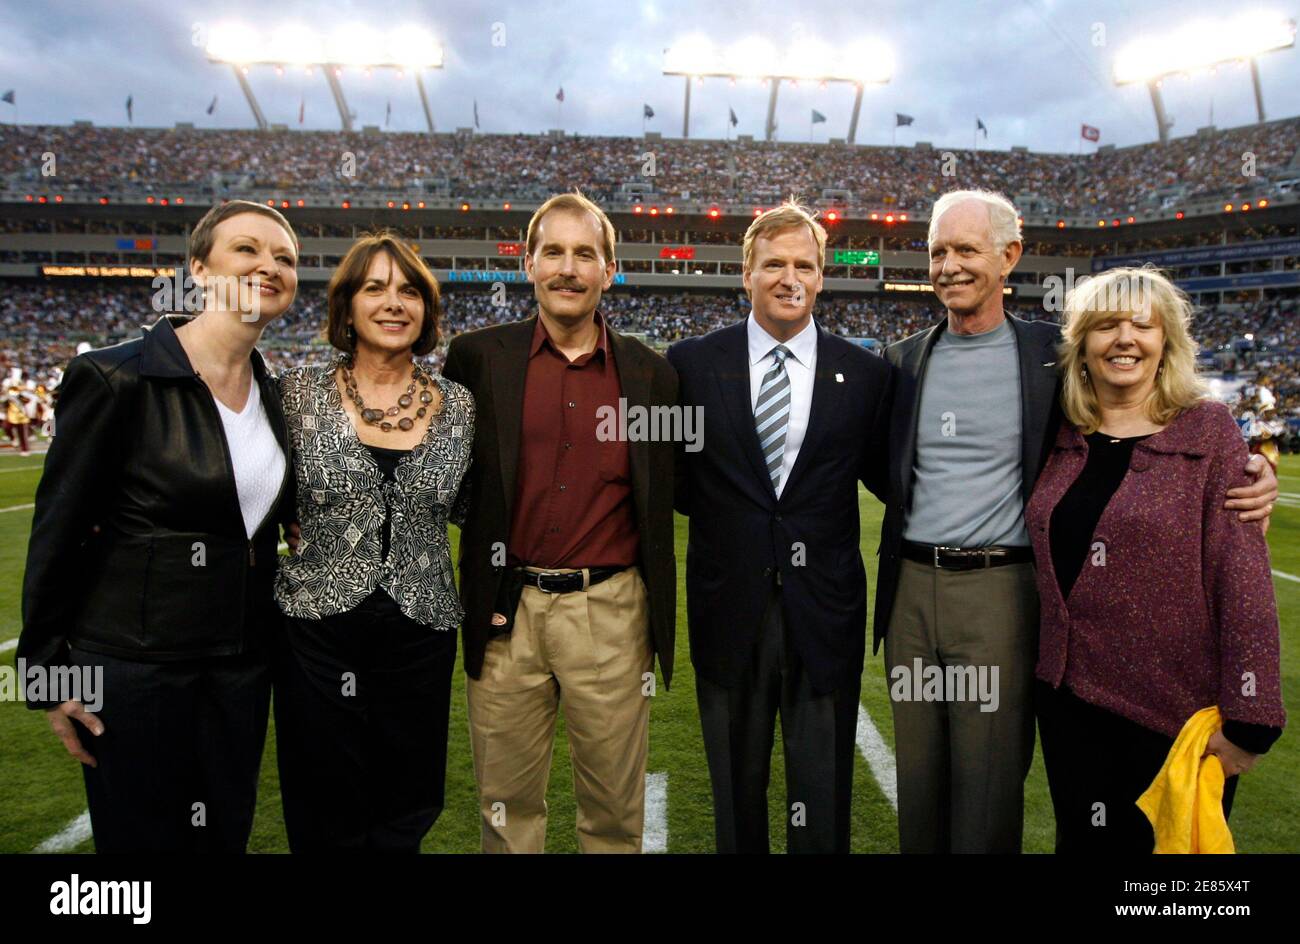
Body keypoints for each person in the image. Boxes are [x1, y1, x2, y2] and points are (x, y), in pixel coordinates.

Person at [875, 189, 1278, 854]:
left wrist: (1249, 469)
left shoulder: (1049, 359)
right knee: (924, 781)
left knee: (987, 785)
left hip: (1004, 593)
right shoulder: (901, 360)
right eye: (938, 252)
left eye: (966, 250)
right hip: (913, 591)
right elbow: (873, 464)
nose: (948, 265)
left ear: (1009, 257)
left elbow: (1153, 413)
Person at [19, 199, 299, 852]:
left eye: (285, 257)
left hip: (239, 668)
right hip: (135, 671)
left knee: (220, 837)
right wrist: (46, 679)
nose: (269, 265)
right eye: (247, 250)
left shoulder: (277, 395)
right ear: (199, 269)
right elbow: (57, 532)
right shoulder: (115, 377)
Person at [441, 191, 677, 853]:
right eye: (554, 251)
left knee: (612, 816)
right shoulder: (478, 358)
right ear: (528, 262)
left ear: (610, 269)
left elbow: (673, 491)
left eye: (585, 254)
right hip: (505, 611)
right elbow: (454, 484)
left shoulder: (652, 375)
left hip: (611, 609)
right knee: (507, 816)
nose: (569, 268)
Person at [1028, 266, 1285, 852]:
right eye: (1106, 326)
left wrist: (1252, 715)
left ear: (1166, 341)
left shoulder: (1208, 430)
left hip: (1171, 710)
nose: (1125, 339)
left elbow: (1241, 581)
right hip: (1069, 702)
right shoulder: (1062, 431)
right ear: (1082, 346)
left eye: (1143, 326)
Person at [668, 202, 894, 853]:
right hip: (728, 609)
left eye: (803, 264)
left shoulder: (867, 375)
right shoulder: (690, 364)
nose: (788, 277)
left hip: (824, 615)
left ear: (821, 276)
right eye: (774, 264)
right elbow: (675, 482)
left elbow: (894, 482)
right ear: (747, 272)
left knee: (821, 801)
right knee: (736, 802)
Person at [272, 231, 474, 853]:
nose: (394, 302)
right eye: (375, 288)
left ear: (427, 310)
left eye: (410, 290)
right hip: (315, 628)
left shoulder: (461, 406)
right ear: (348, 307)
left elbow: (477, 506)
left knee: (407, 798)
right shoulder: (295, 394)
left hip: (421, 625)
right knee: (320, 794)